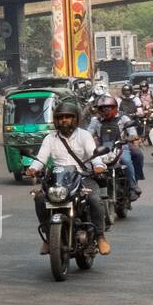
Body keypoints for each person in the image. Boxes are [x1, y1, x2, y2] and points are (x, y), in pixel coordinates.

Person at [26, 96, 111, 256]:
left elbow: (94, 154)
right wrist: (33, 169)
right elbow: (41, 159)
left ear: (76, 118)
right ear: (56, 120)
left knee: (94, 200)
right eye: (60, 117)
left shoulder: (84, 135)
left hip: (82, 177)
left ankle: (100, 236)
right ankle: (48, 238)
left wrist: (98, 165)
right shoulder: (50, 138)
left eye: (68, 117)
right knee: (39, 199)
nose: (64, 120)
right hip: (57, 180)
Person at [87, 95, 142, 200]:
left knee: (127, 160)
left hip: (120, 145)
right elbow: (88, 133)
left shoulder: (123, 117)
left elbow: (132, 132)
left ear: (115, 107)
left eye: (109, 107)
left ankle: (133, 187)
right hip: (102, 149)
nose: (106, 110)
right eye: (103, 108)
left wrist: (132, 137)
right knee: (90, 166)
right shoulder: (95, 120)